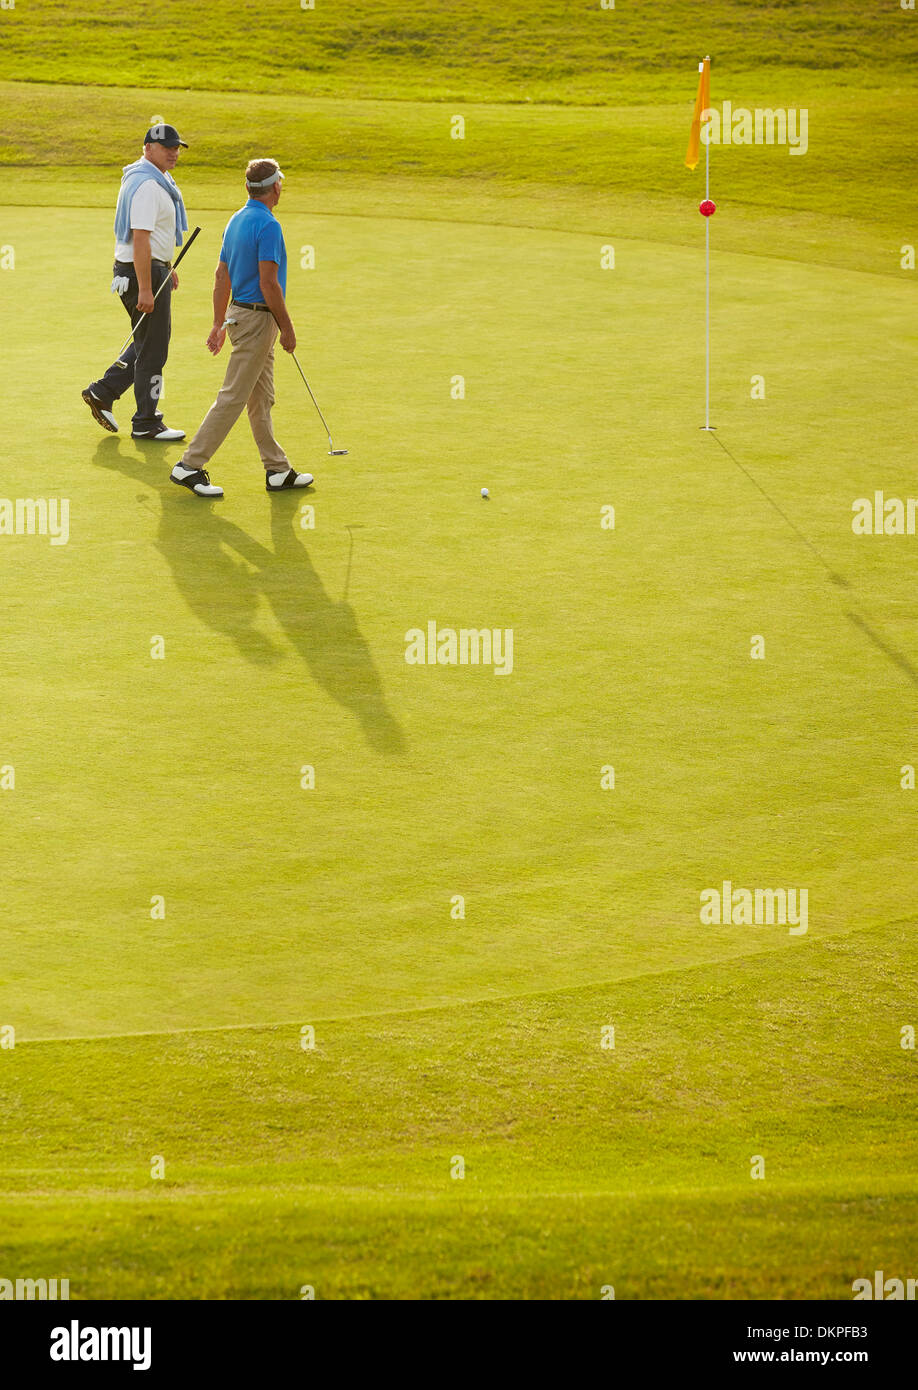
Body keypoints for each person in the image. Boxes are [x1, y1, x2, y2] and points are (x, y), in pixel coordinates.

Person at [170, 158, 313, 499]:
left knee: (260, 399)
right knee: (234, 395)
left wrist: (219, 323)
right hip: (258, 321)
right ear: (275, 188)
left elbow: (222, 277)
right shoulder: (268, 226)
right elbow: (269, 284)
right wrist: (287, 328)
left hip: (238, 316)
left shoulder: (236, 219)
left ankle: (277, 470)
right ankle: (189, 465)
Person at [82, 123, 189, 441]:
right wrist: (146, 286)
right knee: (154, 349)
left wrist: (166, 265)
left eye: (176, 147)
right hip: (141, 273)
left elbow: (152, 239)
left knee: (149, 343)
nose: (173, 152)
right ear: (148, 148)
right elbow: (140, 239)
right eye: (167, 146)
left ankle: (103, 392)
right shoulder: (147, 186)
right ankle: (146, 421)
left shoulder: (155, 179)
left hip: (151, 269)